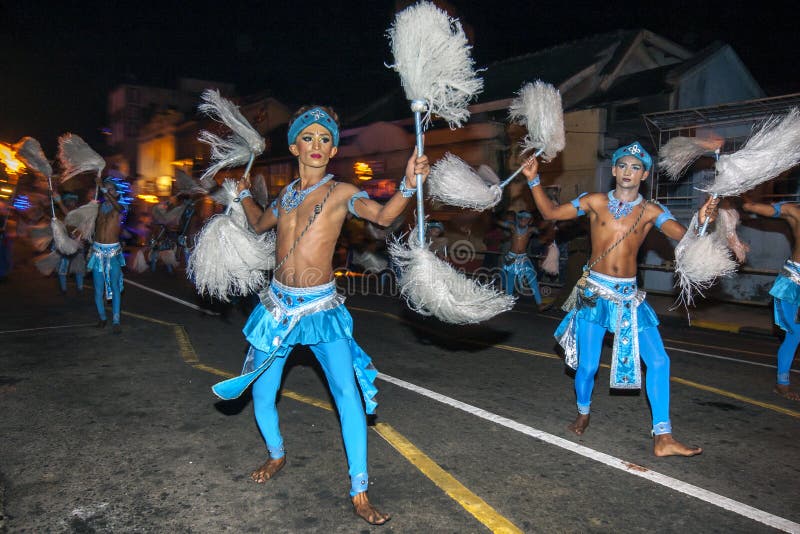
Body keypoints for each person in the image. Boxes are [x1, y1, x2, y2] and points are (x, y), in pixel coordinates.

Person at [213, 105, 429, 525]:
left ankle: (360, 489)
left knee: (347, 397)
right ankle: (276, 454)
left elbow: (384, 217)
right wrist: (240, 195)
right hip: (277, 306)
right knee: (261, 392)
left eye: (325, 139)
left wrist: (406, 184)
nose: (317, 145)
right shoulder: (285, 194)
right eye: (308, 138)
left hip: (320, 309)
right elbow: (258, 226)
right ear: (295, 145)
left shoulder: (343, 193)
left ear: (332, 151)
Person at [525, 141, 718, 457]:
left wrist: (700, 219)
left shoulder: (650, 210)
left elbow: (685, 237)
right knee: (587, 367)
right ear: (614, 170)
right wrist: (534, 179)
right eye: (624, 165)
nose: (629, 171)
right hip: (594, 294)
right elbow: (549, 212)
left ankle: (663, 436)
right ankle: (584, 410)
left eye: (636, 167)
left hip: (629, 298)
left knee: (658, 360)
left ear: (644, 175)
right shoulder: (594, 202)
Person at [742, 197, 800, 400]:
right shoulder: (795, 212)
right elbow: (754, 207)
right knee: (795, 335)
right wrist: (747, 200)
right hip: (793, 283)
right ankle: (782, 384)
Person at [87, 174, 126, 333]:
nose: (106, 191)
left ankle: (116, 320)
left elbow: (120, 208)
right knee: (98, 289)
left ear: (116, 193)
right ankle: (102, 318)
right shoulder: (97, 208)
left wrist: (104, 188)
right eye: (105, 188)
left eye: (110, 189)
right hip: (97, 251)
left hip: (113, 252)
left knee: (115, 287)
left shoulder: (120, 208)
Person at [496, 210, 550, 311]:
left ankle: (540, 304)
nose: (523, 220)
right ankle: (508, 303)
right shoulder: (513, 227)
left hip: (523, 259)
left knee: (532, 279)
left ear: (529, 221)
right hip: (511, 258)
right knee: (510, 281)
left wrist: (548, 219)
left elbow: (540, 230)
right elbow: (500, 223)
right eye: (522, 218)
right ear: (518, 218)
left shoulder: (530, 230)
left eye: (526, 219)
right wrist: (492, 213)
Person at [53, 191, 86, 294]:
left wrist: (59, 202)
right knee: (63, 267)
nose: (71, 203)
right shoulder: (60, 215)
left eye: (73, 201)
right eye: (68, 201)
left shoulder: (79, 214)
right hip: (65, 244)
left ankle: (80, 288)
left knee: (78, 268)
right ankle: (63, 289)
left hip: (77, 244)